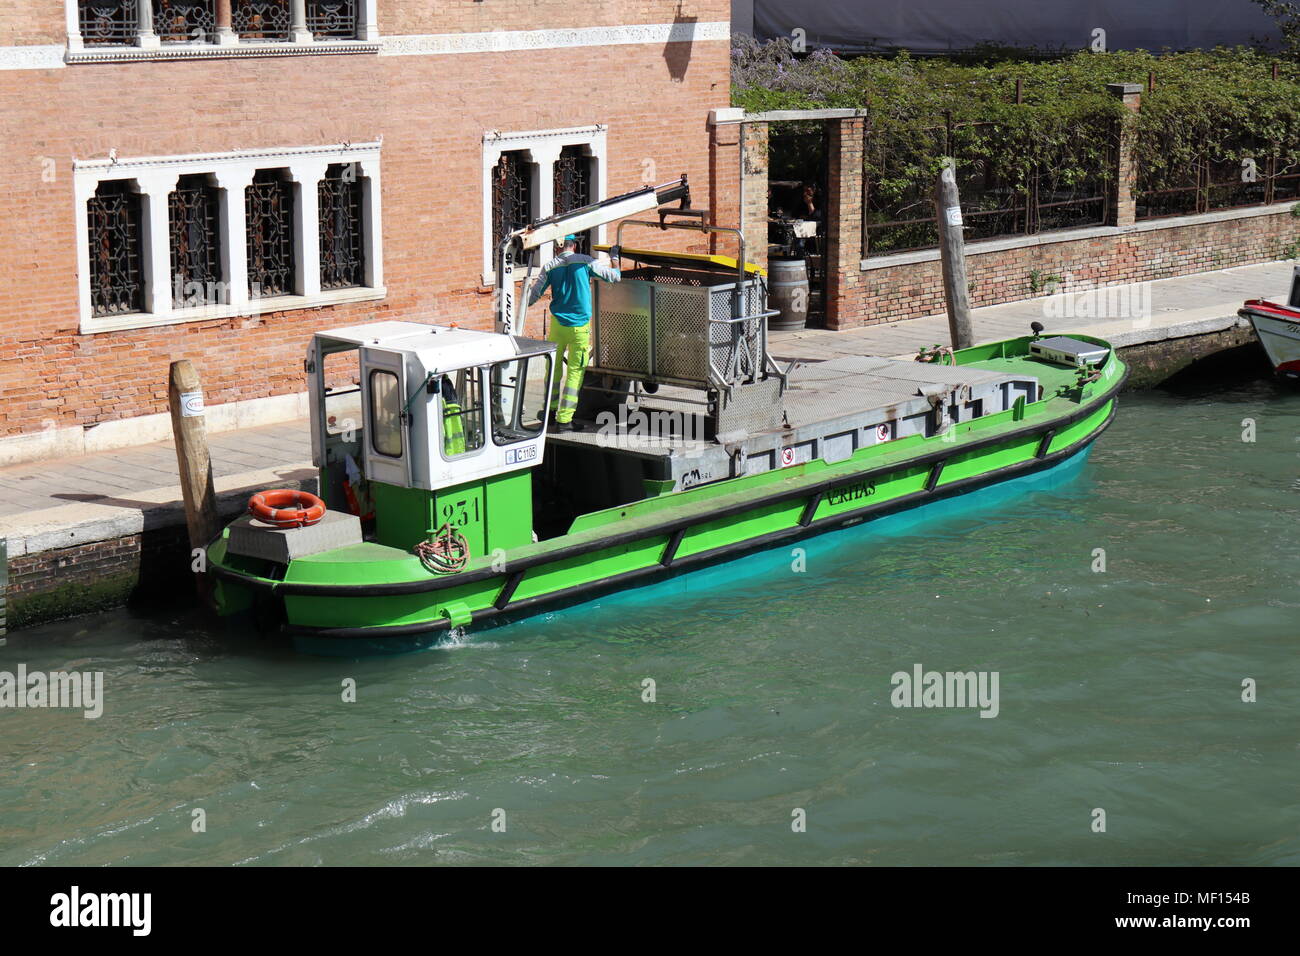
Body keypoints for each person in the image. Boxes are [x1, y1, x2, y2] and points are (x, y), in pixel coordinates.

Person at [527, 234, 620, 432]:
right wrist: (615, 258)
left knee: (552, 370)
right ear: (574, 246)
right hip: (579, 328)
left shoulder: (550, 266)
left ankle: (550, 413)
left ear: (556, 248)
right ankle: (564, 421)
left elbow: (534, 296)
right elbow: (615, 277)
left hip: (557, 326)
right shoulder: (586, 262)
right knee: (575, 374)